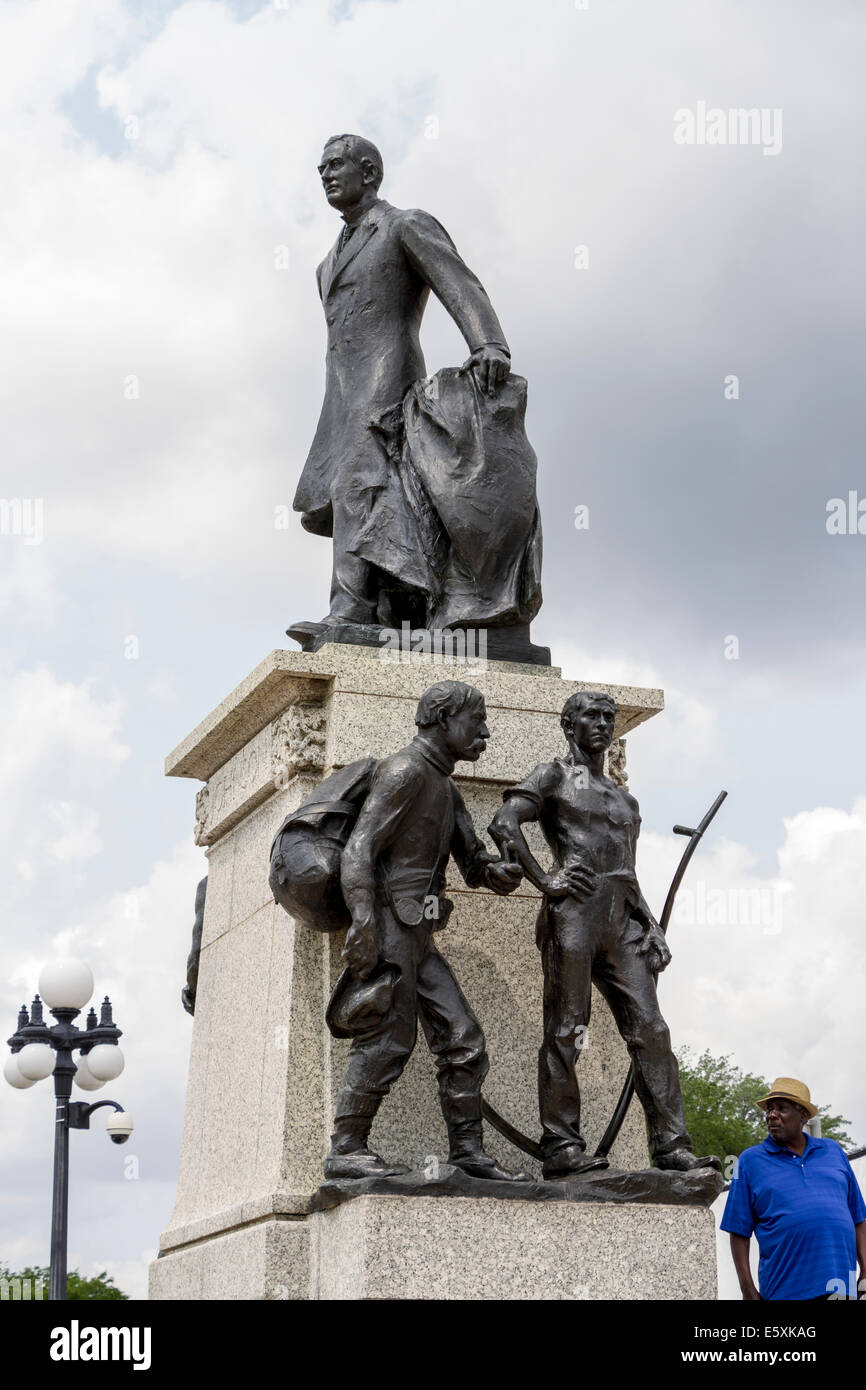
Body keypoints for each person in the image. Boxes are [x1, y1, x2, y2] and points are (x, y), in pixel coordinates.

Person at [489, 690, 719, 1179]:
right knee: (568, 1029)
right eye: (590, 716)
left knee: (652, 1031)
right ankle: (563, 1146)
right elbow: (504, 822)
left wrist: (651, 924)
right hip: (573, 914)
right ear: (568, 725)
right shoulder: (553, 775)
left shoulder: (624, 797)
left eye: (608, 717)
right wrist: (544, 880)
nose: (602, 724)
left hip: (623, 921)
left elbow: (627, 870)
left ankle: (672, 1146)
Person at [291, 133, 512, 639]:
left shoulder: (404, 225)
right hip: (341, 395)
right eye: (320, 168)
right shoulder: (325, 264)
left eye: (336, 165)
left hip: (387, 380)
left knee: (359, 485)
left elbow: (458, 282)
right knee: (370, 498)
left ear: (369, 173)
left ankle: (350, 613)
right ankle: (395, 611)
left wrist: (489, 346)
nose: (325, 174)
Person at [324, 679, 528, 1182]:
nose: (485, 732)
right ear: (443, 720)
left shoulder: (445, 784)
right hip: (392, 927)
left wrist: (496, 872)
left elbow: (473, 861)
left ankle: (468, 1153)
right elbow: (359, 851)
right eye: (476, 721)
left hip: (419, 936)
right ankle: (345, 1149)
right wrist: (365, 925)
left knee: (463, 1038)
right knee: (387, 1039)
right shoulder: (406, 771)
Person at [721, 1076, 866, 1301]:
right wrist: (747, 1289)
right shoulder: (748, 1162)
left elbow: (858, 1217)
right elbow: (738, 1231)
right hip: (786, 1292)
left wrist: (865, 1270)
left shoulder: (834, 1152)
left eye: (781, 1108)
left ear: (803, 1116)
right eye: (769, 1109)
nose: (771, 1115)